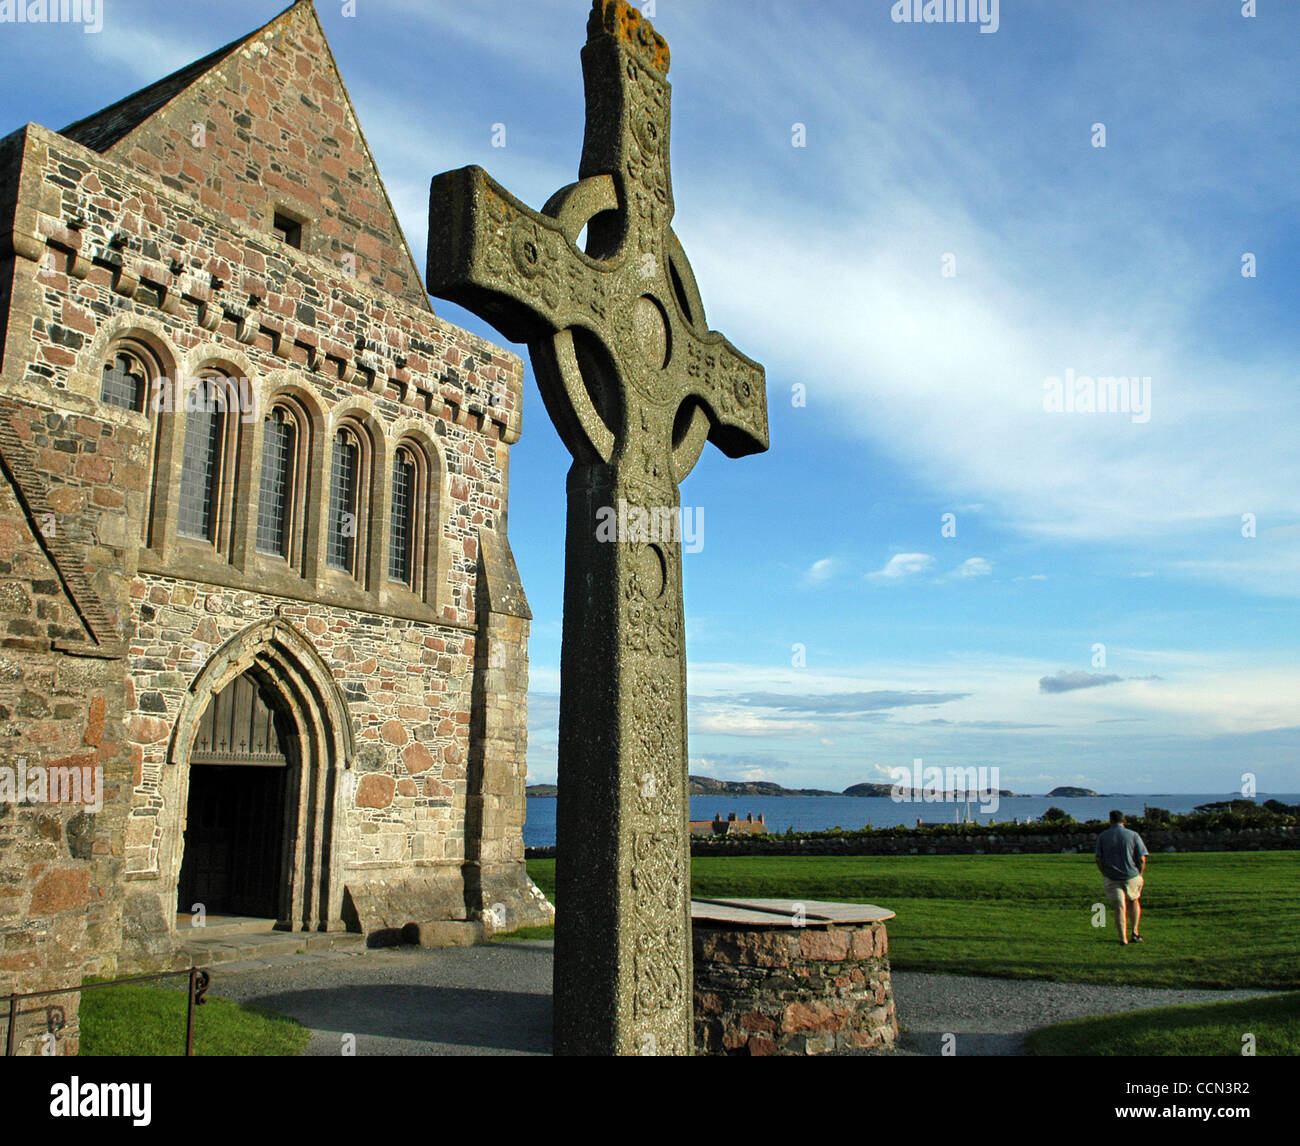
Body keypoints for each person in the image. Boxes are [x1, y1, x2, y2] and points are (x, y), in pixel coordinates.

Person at [1095, 809, 1148, 945]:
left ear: (1110, 820)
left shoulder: (1103, 836)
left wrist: (1104, 872)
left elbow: (1098, 859)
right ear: (1124, 821)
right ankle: (1135, 932)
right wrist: (1140, 873)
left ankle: (1122, 938)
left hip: (1112, 876)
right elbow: (1141, 858)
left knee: (1119, 906)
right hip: (1131, 874)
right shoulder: (1133, 835)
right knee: (1134, 901)